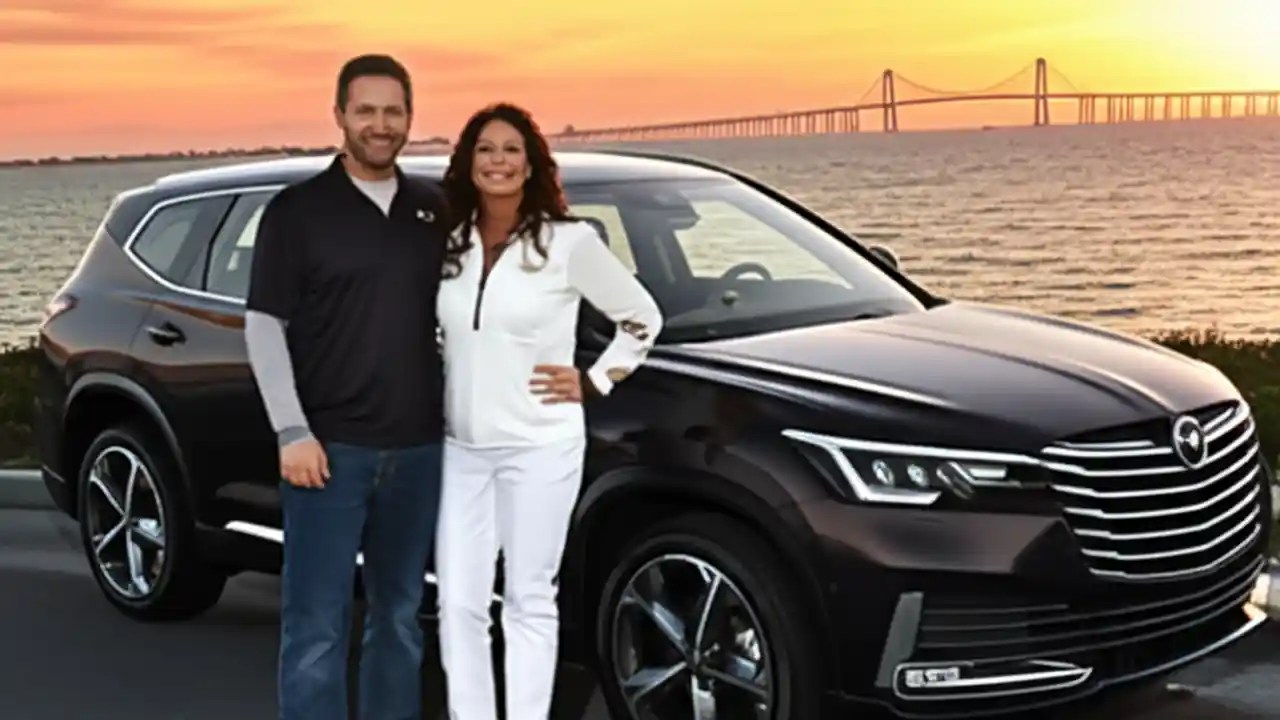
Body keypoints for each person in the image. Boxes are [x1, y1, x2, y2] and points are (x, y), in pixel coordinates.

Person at [433, 102, 663, 720]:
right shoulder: (451, 243)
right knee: (459, 604)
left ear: (531, 164)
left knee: (529, 599)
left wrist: (595, 379)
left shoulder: (568, 242)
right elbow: (444, 331)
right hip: (461, 450)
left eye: (511, 149)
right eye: (486, 149)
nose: (498, 161)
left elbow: (642, 318)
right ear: (468, 163)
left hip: (540, 447)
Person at [244, 54, 449, 720]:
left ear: (410, 117)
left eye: (393, 111)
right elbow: (264, 325)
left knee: (399, 618)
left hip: (420, 451)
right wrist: (291, 430)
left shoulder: (434, 208)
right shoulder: (297, 212)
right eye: (366, 111)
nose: (380, 125)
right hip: (328, 453)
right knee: (316, 627)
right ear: (339, 115)